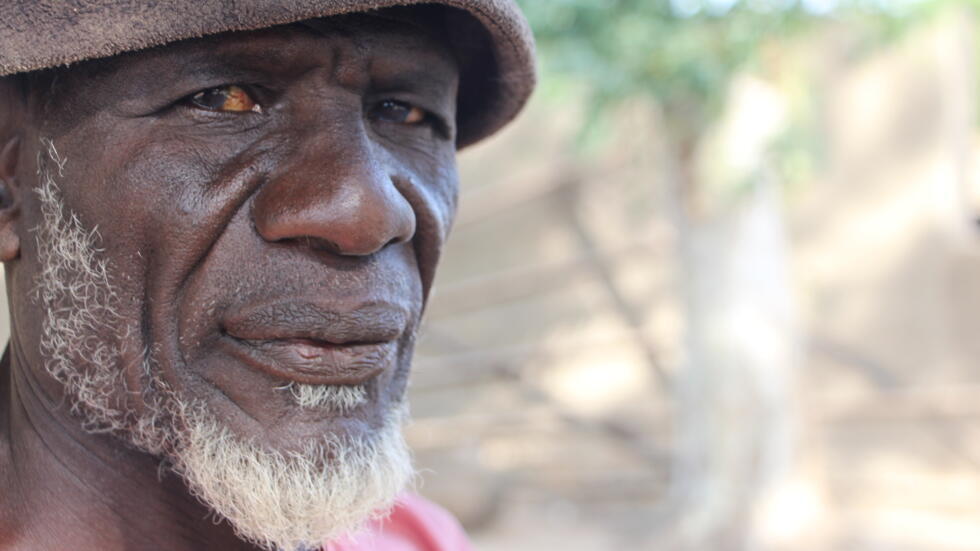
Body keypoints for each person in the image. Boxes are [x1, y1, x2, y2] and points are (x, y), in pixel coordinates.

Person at [0, 1, 534, 550]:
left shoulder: (421, 539)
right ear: (8, 184)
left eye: (402, 113)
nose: (368, 215)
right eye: (224, 99)